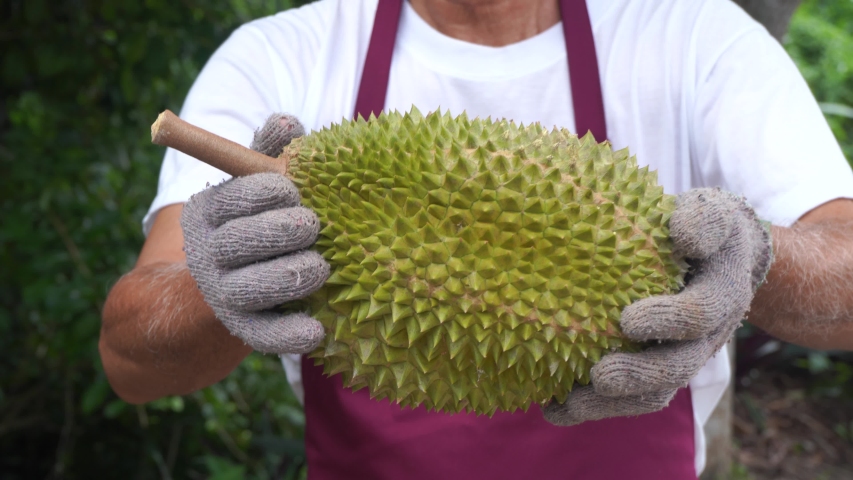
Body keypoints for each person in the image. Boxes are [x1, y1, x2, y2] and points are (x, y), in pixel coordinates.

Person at [99, 0, 853, 478]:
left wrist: (754, 257)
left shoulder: (694, 35)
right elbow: (130, 360)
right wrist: (217, 285)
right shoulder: (278, 55)